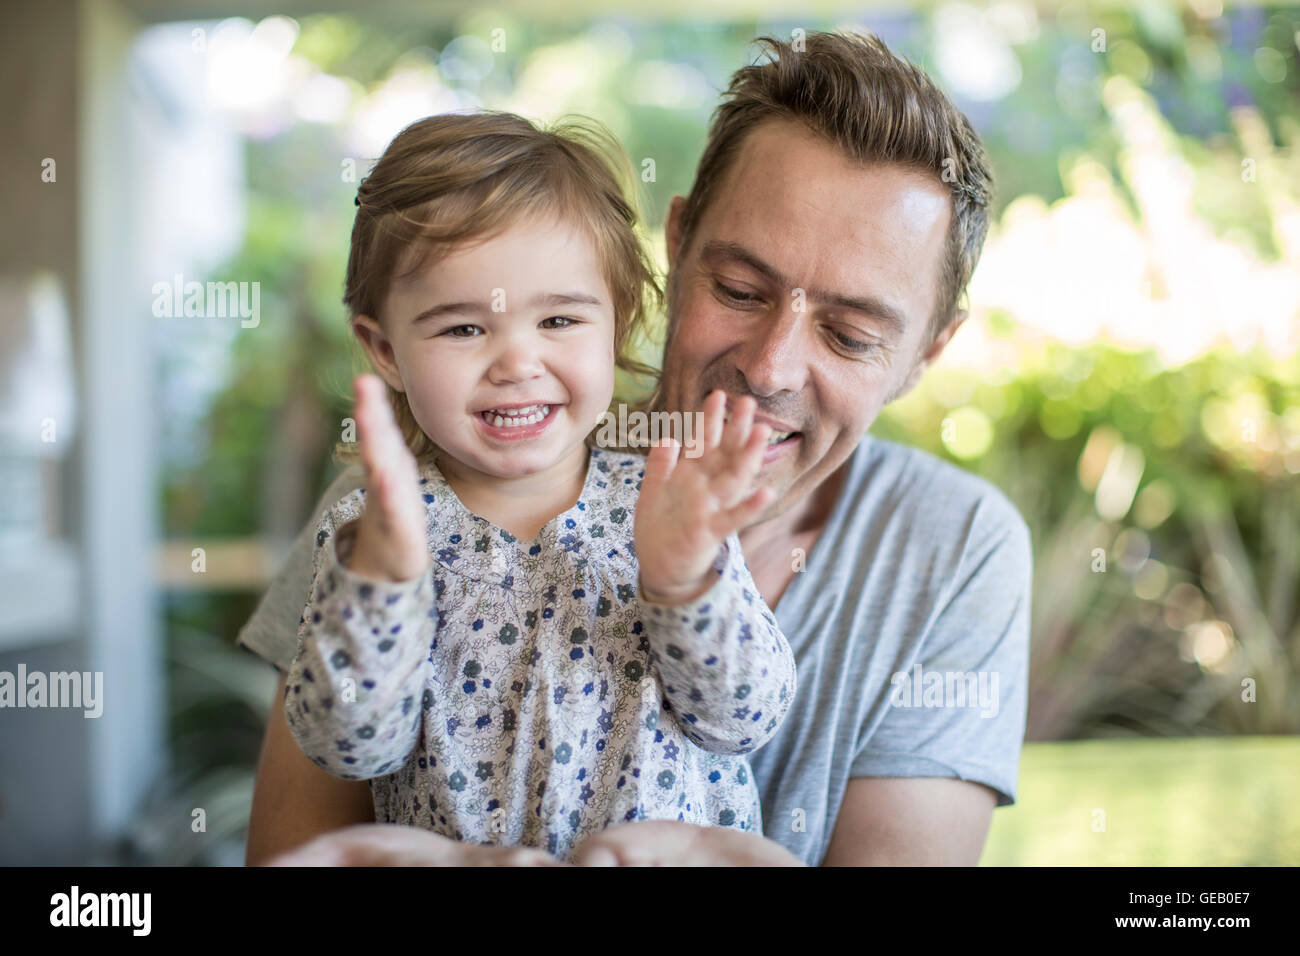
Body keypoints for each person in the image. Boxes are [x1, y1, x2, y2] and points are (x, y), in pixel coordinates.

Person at [239, 30, 1032, 867]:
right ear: (678, 244)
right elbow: (309, 825)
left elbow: (743, 709)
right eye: (738, 290)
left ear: (927, 353)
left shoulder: (957, 547)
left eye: (849, 332)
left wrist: (686, 577)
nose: (770, 368)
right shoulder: (387, 512)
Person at [279, 112, 798, 862]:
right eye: (462, 329)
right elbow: (347, 747)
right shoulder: (375, 532)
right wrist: (382, 587)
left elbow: (743, 720)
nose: (517, 361)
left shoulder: (664, 502)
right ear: (384, 350)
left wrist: (685, 579)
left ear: (618, 324)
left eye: (558, 319)